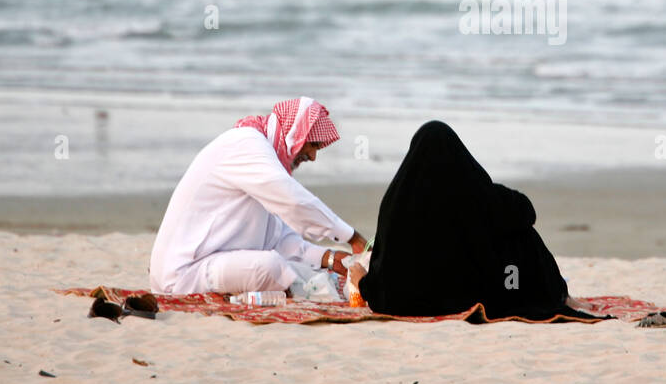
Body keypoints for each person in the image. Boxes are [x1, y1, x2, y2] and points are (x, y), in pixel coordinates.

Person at [357, 120, 603, 322]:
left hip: (399, 299)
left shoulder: (394, 202)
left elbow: (382, 261)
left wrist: (363, 281)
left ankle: (559, 293)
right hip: (461, 293)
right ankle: (560, 294)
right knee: (520, 235)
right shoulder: (473, 195)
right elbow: (526, 211)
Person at [149, 97, 367, 296]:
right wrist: (352, 237)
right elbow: (294, 201)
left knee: (300, 270)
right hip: (182, 275)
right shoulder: (247, 144)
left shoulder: (264, 159)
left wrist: (328, 258)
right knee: (271, 266)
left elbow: (278, 239)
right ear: (295, 134)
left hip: (210, 264)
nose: (312, 156)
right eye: (312, 145)